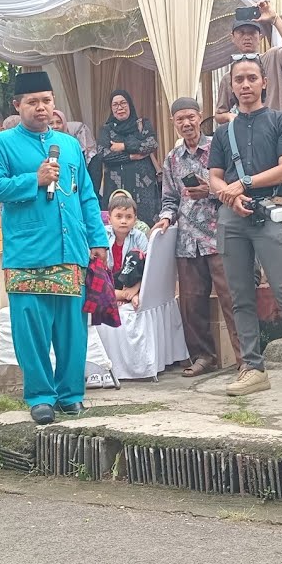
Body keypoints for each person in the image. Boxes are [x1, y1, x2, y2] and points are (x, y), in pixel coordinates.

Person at [0, 71, 108, 426]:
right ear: (17, 105)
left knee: (72, 329)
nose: (41, 107)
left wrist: (98, 240)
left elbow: (86, 195)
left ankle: (70, 395)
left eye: (46, 101)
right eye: (33, 102)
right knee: (30, 328)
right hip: (27, 251)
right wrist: (33, 180)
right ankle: (40, 396)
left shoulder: (69, 145)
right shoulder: (1, 143)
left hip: (70, 248)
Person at [208, 55, 282, 402]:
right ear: (231, 86)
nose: (245, 85)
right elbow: (214, 177)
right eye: (238, 80)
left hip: (270, 211)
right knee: (240, 296)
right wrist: (230, 196)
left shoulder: (281, 121)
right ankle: (253, 369)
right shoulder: (223, 132)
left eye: (251, 78)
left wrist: (243, 184)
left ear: (264, 83)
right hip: (232, 216)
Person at [151, 98, 243, 377]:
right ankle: (203, 356)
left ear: (200, 117)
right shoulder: (172, 158)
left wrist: (210, 191)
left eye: (190, 117)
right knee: (191, 304)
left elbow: (236, 186)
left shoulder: (219, 147)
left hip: (219, 236)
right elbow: (170, 198)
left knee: (232, 299)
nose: (186, 123)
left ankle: (246, 359)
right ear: (173, 123)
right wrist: (166, 218)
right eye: (180, 119)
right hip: (187, 241)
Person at [215, 0, 282, 121]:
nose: (247, 37)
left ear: (260, 37)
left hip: (277, 129)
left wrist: (275, 19)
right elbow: (219, 114)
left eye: (252, 33)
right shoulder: (230, 76)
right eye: (241, 33)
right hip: (248, 131)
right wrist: (232, 117)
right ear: (233, 37)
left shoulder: (273, 58)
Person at [97, 90, 160, 224]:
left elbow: (151, 144)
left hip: (143, 188)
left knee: (146, 227)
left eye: (123, 103)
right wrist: (131, 156)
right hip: (116, 188)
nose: (119, 108)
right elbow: (104, 155)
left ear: (130, 105)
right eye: (115, 105)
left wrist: (123, 146)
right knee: (119, 224)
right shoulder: (106, 130)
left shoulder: (142, 124)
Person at [105, 192, 148, 308]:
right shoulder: (103, 234)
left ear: (135, 220)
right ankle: (125, 295)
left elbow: (148, 266)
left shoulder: (139, 236)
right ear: (109, 219)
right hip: (110, 279)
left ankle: (131, 292)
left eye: (128, 217)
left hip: (132, 280)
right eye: (119, 216)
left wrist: (136, 286)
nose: (123, 221)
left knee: (136, 255)